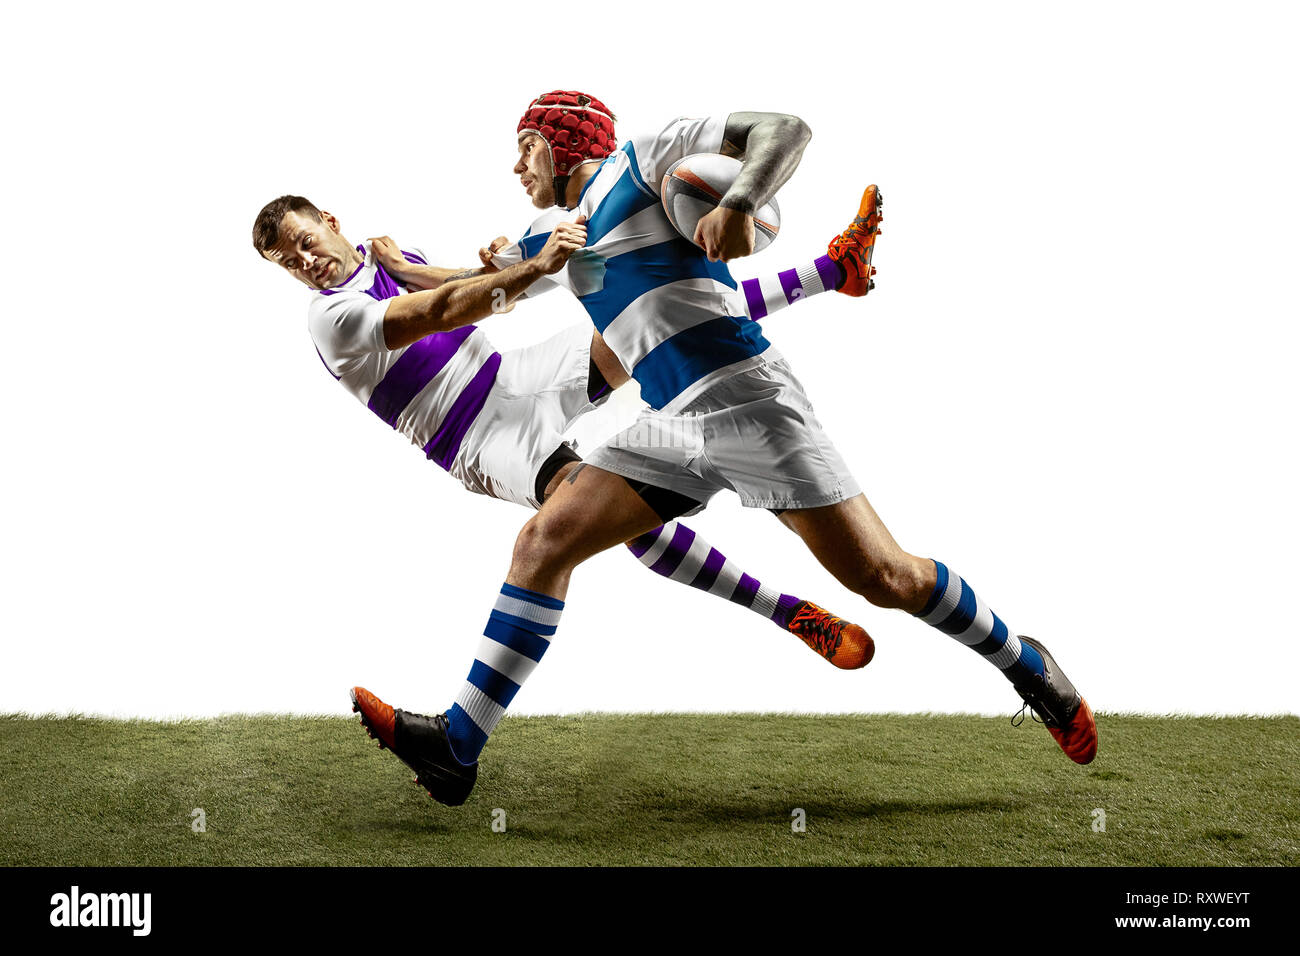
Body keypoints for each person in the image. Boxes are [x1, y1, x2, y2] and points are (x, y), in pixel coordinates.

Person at [349, 91, 1097, 807]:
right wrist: (390, 268)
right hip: (670, 421)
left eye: (527, 150)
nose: (519, 169)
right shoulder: (559, 236)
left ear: (563, 140)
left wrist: (738, 204)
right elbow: (474, 280)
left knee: (885, 577)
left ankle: (1027, 666)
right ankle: (457, 746)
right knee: (545, 541)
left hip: (749, 402)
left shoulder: (644, 159)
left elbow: (786, 128)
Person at [251, 194, 880, 682]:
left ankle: (832, 271)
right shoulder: (328, 317)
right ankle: (786, 610)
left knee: (649, 317)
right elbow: (443, 312)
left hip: (510, 373)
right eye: (289, 261)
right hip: (475, 434)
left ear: (329, 220)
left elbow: (475, 292)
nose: (306, 262)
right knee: (612, 510)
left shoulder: (381, 253)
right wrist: (530, 265)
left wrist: (486, 263)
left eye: (305, 242)